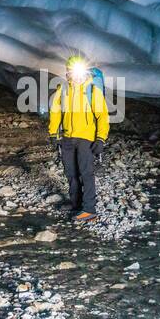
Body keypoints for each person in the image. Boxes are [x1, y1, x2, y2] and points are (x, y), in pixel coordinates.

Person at [48, 54, 109, 221]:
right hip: (67, 137)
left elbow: (102, 116)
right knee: (71, 173)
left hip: (86, 138)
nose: (73, 75)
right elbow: (55, 111)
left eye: (76, 71)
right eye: (70, 71)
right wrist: (54, 133)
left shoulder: (92, 90)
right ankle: (76, 204)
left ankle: (89, 210)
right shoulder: (64, 89)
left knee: (86, 173)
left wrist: (100, 139)